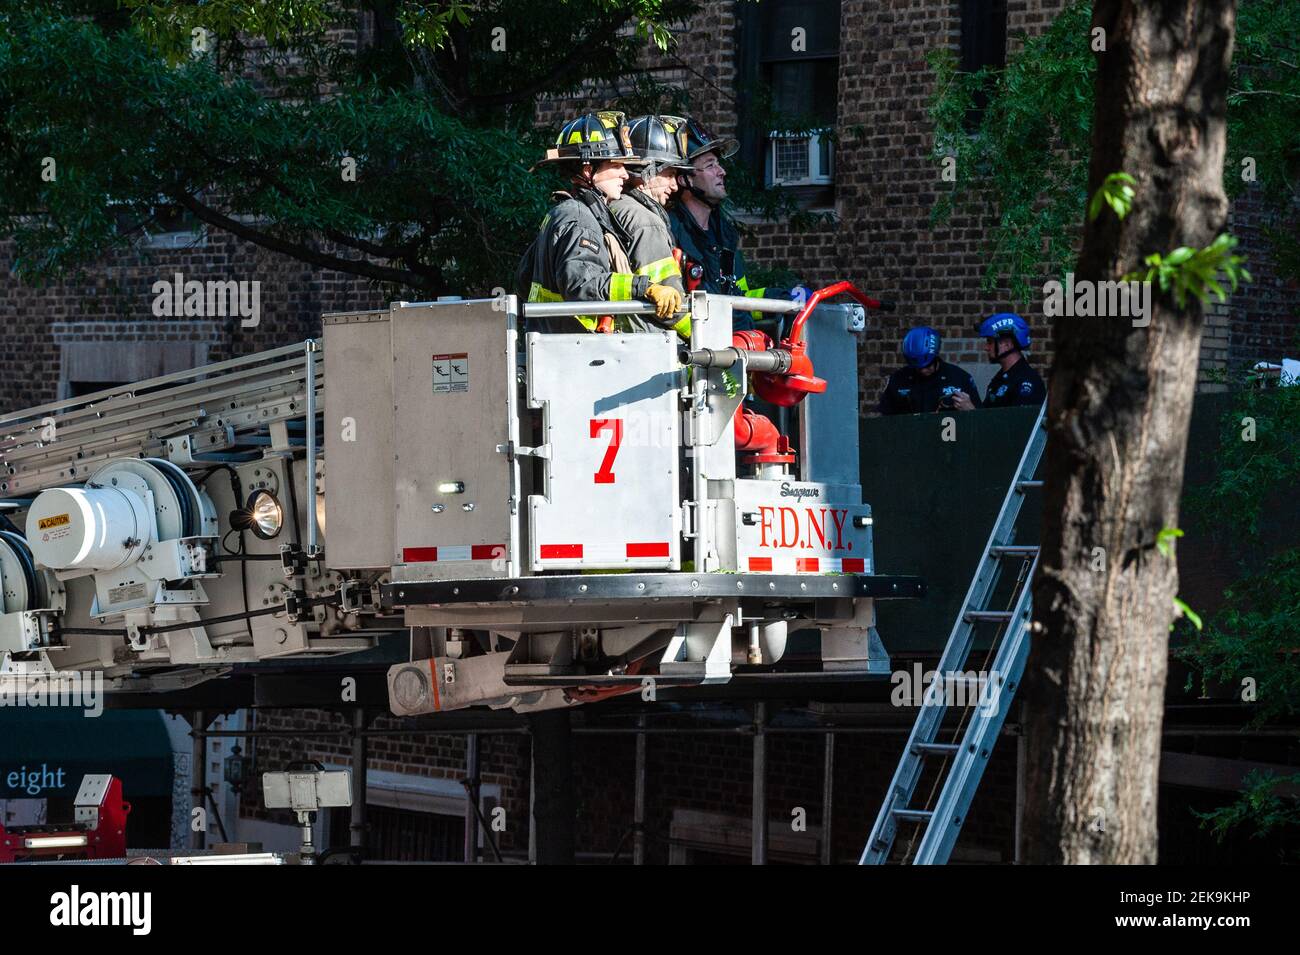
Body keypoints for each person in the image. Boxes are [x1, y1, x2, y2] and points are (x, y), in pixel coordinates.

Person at [517, 111, 683, 333]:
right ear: (588, 170)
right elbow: (581, 283)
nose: (625, 175)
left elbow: (522, 280)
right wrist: (645, 288)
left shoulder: (569, 212)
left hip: (557, 346)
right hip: (573, 350)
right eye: (616, 166)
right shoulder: (579, 217)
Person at [668, 118, 804, 330]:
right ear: (685, 180)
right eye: (710, 165)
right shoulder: (670, 232)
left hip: (730, 349)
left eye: (718, 164)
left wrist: (781, 299)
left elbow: (737, 298)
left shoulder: (724, 234)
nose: (722, 171)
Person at [609, 114, 693, 339]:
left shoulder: (613, 206)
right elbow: (671, 305)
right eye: (670, 174)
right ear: (647, 170)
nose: (675, 186)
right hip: (647, 344)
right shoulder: (645, 221)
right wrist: (703, 336)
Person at [878, 326, 981, 415]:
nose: (923, 371)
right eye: (918, 367)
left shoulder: (959, 378)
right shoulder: (898, 380)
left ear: (935, 356)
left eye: (928, 365)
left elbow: (981, 422)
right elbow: (884, 421)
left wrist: (970, 409)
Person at [979, 312, 1046, 407]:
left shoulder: (1026, 381)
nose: (986, 347)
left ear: (1007, 345)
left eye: (990, 342)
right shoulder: (1001, 377)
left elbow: (1017, 420)